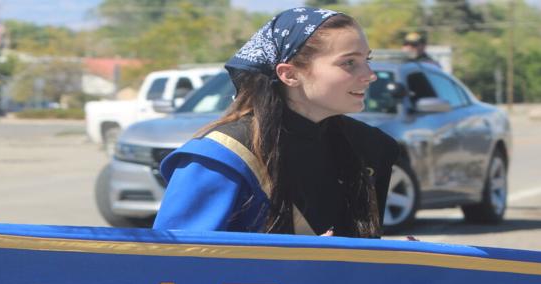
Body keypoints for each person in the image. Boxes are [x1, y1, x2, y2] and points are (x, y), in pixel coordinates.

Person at [154, 8, 399, 238]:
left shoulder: (369, 146)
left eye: (367, 59)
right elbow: (175, 261)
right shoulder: (220, 157)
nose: (370, 75)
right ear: (289, 74)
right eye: (349, 63)